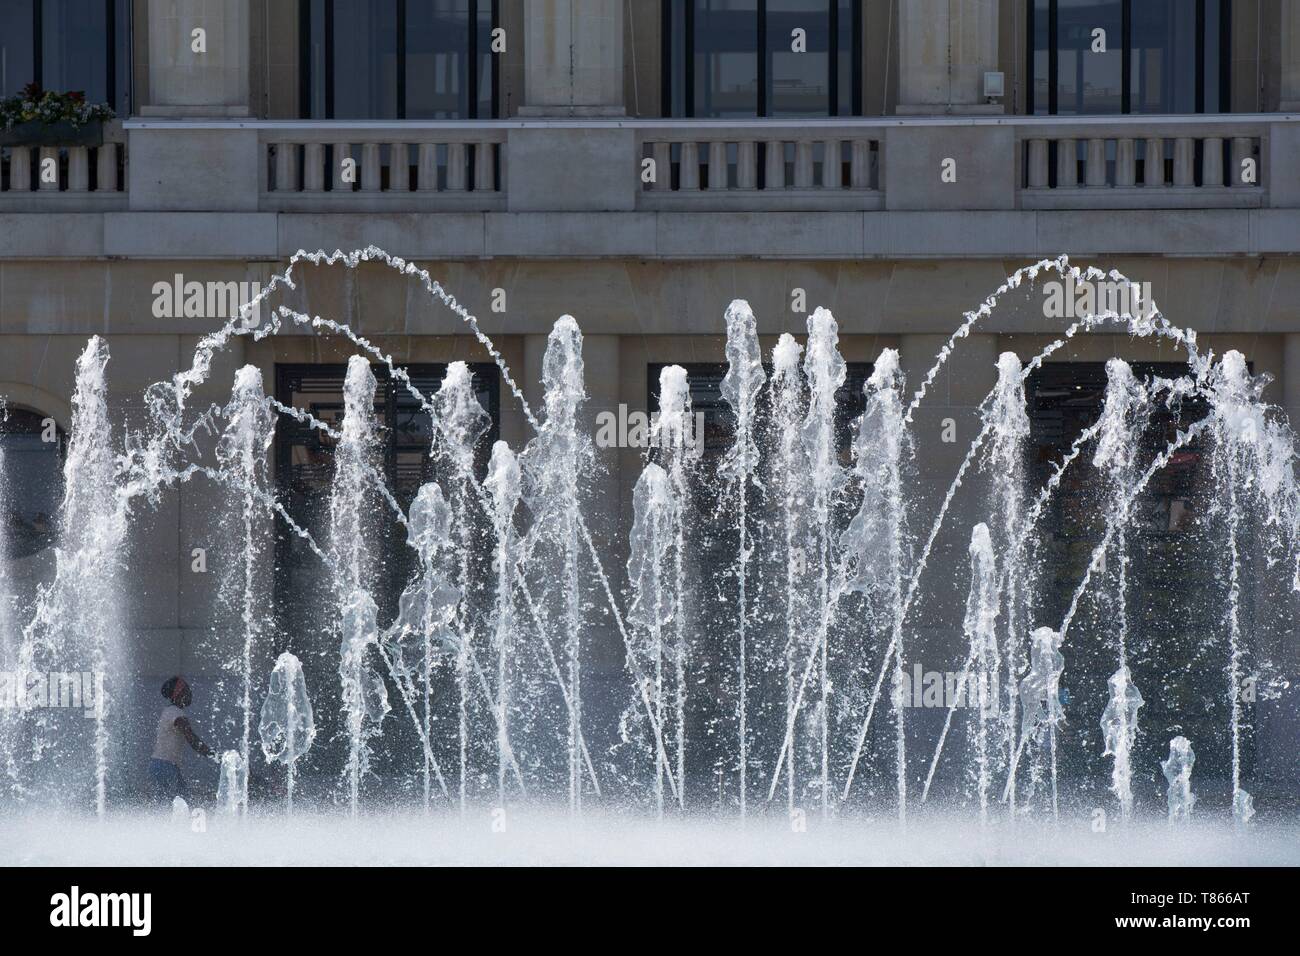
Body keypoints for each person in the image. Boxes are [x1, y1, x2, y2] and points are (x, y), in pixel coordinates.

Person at [148, 676, 213, 805]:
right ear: (179, 694)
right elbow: (191, 738)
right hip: (165, 766)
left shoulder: (170, 711)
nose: (190, 693)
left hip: (161, 765)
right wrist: (212, 754)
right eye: (187, 690)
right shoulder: (176, 714)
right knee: (179, 801)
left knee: (169, 802)